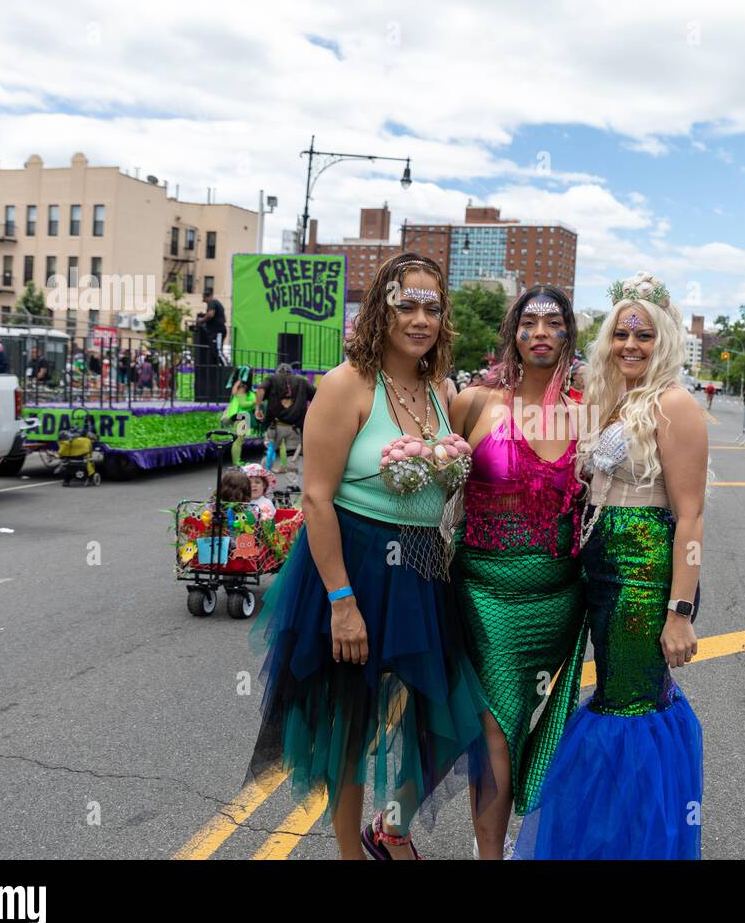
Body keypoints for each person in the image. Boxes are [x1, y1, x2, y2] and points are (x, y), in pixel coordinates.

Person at [245, 252, 492, 860]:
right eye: (406, 304)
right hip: (352, 563)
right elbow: (316, 498)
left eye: (432, 306)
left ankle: (392, 826)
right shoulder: (344, 385)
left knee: (458, 716)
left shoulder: (443, 390)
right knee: (347, 727)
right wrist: (341, 603)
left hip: (422, 569)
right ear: (380, 309)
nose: (420, 318)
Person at [515, 271, 706, 860]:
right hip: (598, 573)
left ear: (664, 341)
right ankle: (615, 840)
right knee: (621, 701)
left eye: (644, 336)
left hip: (642, 579)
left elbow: (691, 519)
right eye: (622, 334)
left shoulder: (674, 405)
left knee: (627, 706)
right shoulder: (608, 399)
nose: (631, 345)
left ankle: (629, 846)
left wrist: (678, 612)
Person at [448, 284, 588, 859]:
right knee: (497, 726)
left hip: (559, 596)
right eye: (527, 322)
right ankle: (491, 852)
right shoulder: (475, 402)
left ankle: (519, 837)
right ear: (512, 333)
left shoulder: (587, 414)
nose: (539, 333)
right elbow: (437, 479)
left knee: (540, 721)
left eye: (552, 323)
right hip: (485, 593)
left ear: (568, 336)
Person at [255, 363, 315, 488]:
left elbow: (260, 389)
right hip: (294, 428)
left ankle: (260, 483)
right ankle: (292, 485)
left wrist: (257, 408)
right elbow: (317, 394)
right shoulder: (301, 381)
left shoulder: (272, 379)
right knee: (291, 457)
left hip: (274, 426)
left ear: (278, 372)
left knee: (269, 453)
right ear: (291, 372)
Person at [221, 367, 259, 465]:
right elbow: (243, 404)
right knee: (238, 440)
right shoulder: (242, 387)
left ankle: (237, 461)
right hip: (241, 416)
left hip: (241, 416)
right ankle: (236, 462)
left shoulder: (240, 385)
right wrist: (254, 402)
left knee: (239, 440)